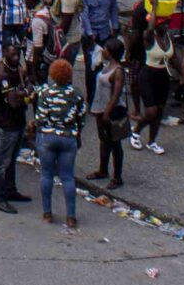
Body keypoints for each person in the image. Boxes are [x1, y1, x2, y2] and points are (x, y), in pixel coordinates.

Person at [30, 57, 87, 228]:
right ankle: (71, 216)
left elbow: (40, 118)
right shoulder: (76, 94)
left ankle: (47, 213)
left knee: (46, 174)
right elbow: (82, 118)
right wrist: (77, 133)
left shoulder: (45, 93)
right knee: (68, 177)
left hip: (47, 138)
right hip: (68, 138)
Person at [0, 33, 32, 212]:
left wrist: (23, 92)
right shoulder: (2, 73)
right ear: (4, 52)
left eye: (18, 54)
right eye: (13, 54)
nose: (16, 57)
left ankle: (10, 190)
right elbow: (13, 101)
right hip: (7, 123)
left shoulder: (16, 67)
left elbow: (29, 83)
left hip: (18, 120)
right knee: (2, 162)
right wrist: (26, 93)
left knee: (12, 158)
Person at [88, 36, 129, 189]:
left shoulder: (117, 71)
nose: (103, 51)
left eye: (105, 49)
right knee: (104, 141)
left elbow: (116, 95)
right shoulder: (106, 66)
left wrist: (107, 112)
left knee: (115, 144)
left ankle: (117, 177)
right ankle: (103, 170)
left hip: (111, 112)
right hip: (101, 109)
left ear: (111, 52)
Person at [131, 22, 176, 156]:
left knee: (159, 111)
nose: (166, 26)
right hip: (148, 76)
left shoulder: (169, 37)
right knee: (151, 111)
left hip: (163, 77)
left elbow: (173, 58)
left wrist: (183, 75)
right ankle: (136, 131)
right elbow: (149, 28)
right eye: (163, 23)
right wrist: (154, 10)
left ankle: (152, 141)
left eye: (167, 23)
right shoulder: (149, 36)